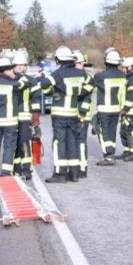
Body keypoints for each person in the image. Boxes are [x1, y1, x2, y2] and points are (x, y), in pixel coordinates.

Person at [39, 45, 91, 183]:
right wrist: (79, 93)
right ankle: (73, 174)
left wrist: (56, 90)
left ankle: (60, 174)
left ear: (58, 59)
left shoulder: (58, 73)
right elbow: (91, 83)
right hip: (73, 113)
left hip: (60, 114)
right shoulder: (80, 73)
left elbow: (44, 84)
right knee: (72, 142)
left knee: (59, 143)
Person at [0, 56, 27, 177]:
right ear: (8, 70)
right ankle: (6, 172)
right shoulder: (13, 84)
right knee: (9, 147)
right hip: (10, 122)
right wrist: (15, 76)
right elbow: (24, 84)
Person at [89, 49, 127, 166]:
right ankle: (111, 153)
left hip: (104, 109)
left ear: (106, 61)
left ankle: (108, 156)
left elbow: (91, 89)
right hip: (116, 109)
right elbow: (123, 94)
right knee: (112, 132)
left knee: (104, 132)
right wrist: (123, 108)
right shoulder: (123, 76)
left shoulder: (100, 76)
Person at [11, 51, 42, 179]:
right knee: (14, 144)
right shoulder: (9, 81)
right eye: (17, 65)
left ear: (25, 66)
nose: (20, 67)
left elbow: (36, 99)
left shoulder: (31, 81)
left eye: (22, 65)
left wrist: (35, 118)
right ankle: (16, 169)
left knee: (25, 142)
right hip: (11, 118)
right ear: (13, 66)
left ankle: (27, 169)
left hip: (24, 117)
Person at [73, 50, 92, 178]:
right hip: (74, 115)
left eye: (77, 64)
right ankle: (77, 168)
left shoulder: (86, 78)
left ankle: (82, 168)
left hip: (82, 116)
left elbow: (86, 99)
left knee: (80, 142)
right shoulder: (76, 77)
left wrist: (81, 114)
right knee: (75, 142)